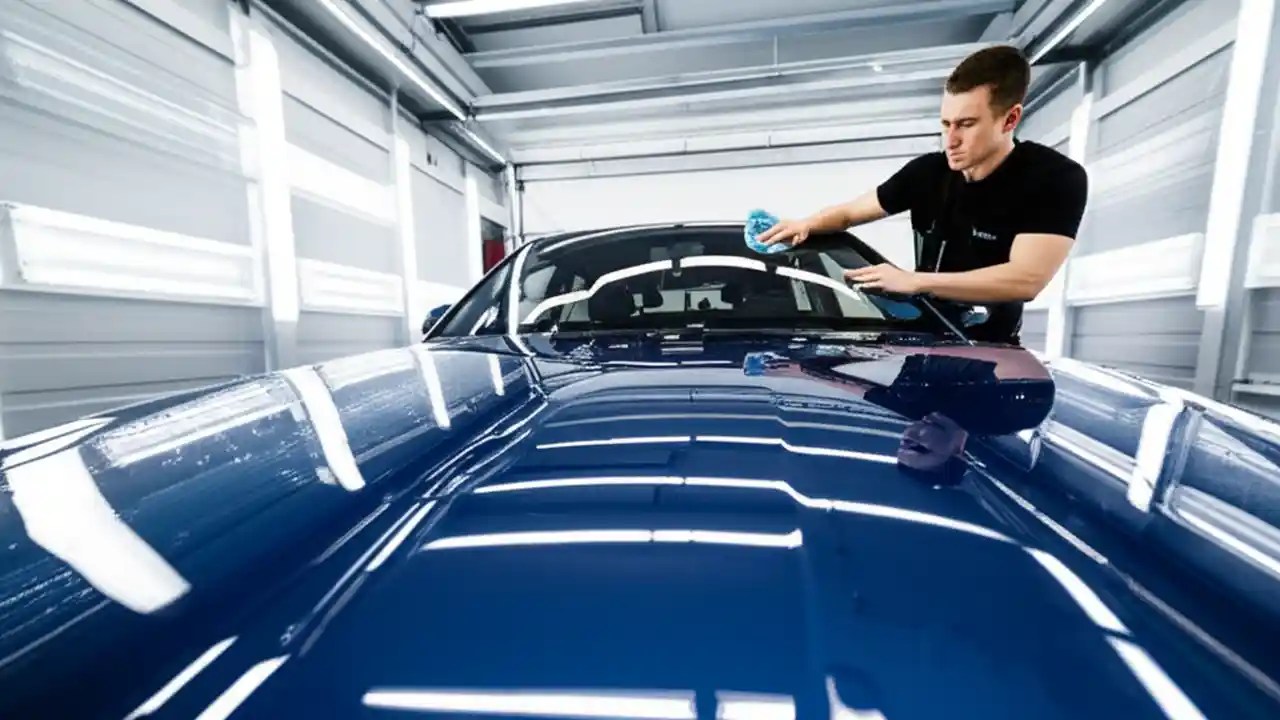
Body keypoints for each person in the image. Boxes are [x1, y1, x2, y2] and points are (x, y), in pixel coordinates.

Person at [758, 45, 1089, 345]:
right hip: (923, 341)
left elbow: (1025, 279)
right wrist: (806, 224)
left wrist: (916, 282)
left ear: (1010, 119)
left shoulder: (1054, 179)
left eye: (966, 124)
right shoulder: (928, 173)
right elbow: (848, 214)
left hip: (993, 351)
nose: (950, 140)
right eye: (945, 124)